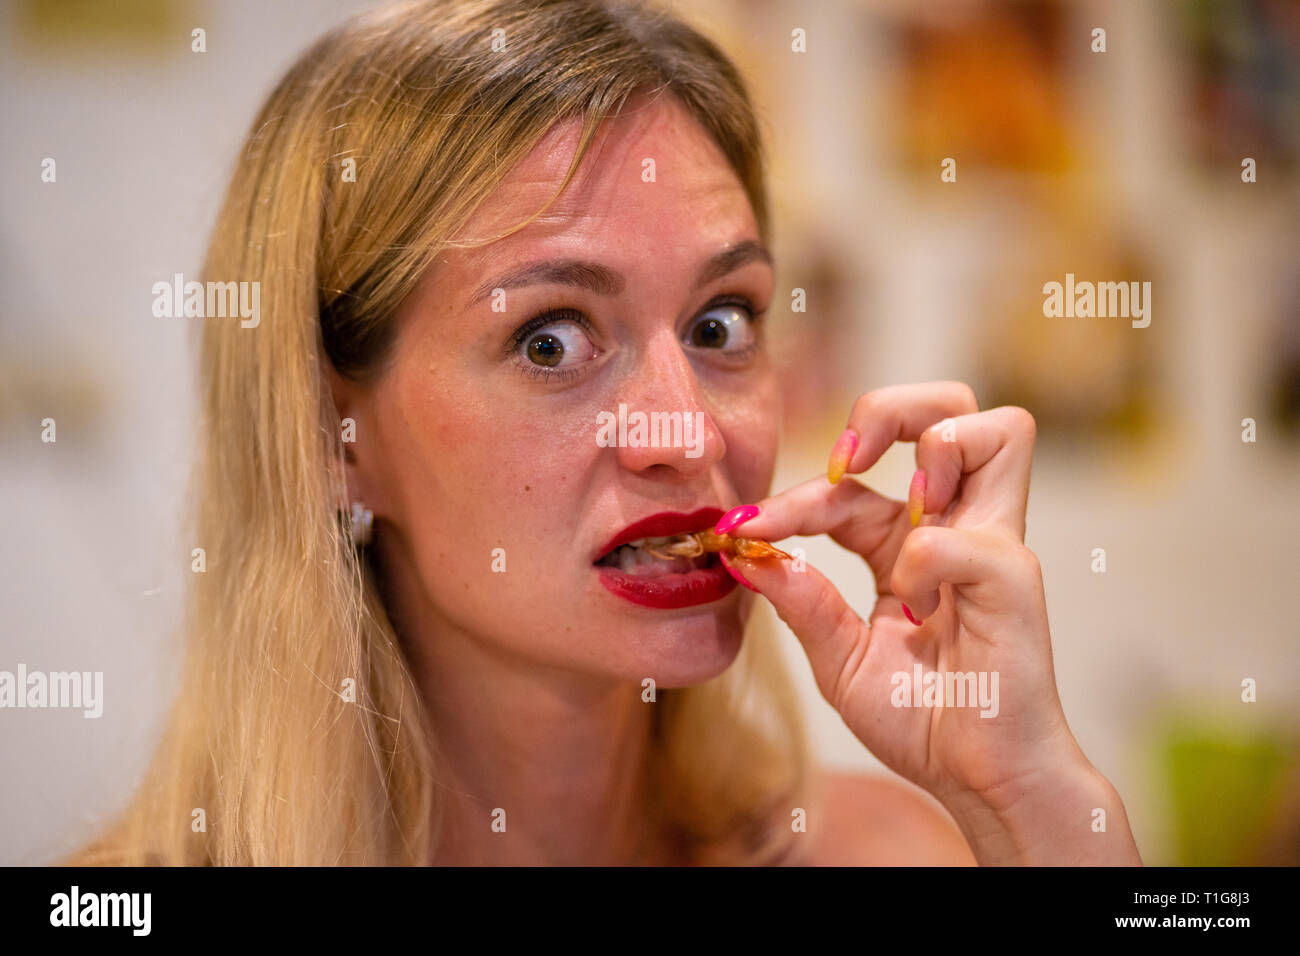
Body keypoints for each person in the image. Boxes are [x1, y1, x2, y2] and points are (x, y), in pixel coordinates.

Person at [65, 0, 1141, 866]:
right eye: (550, 341)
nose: (688, 432)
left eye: (721, 323)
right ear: (332, 435)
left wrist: (1027, 802)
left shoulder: (897, 849)